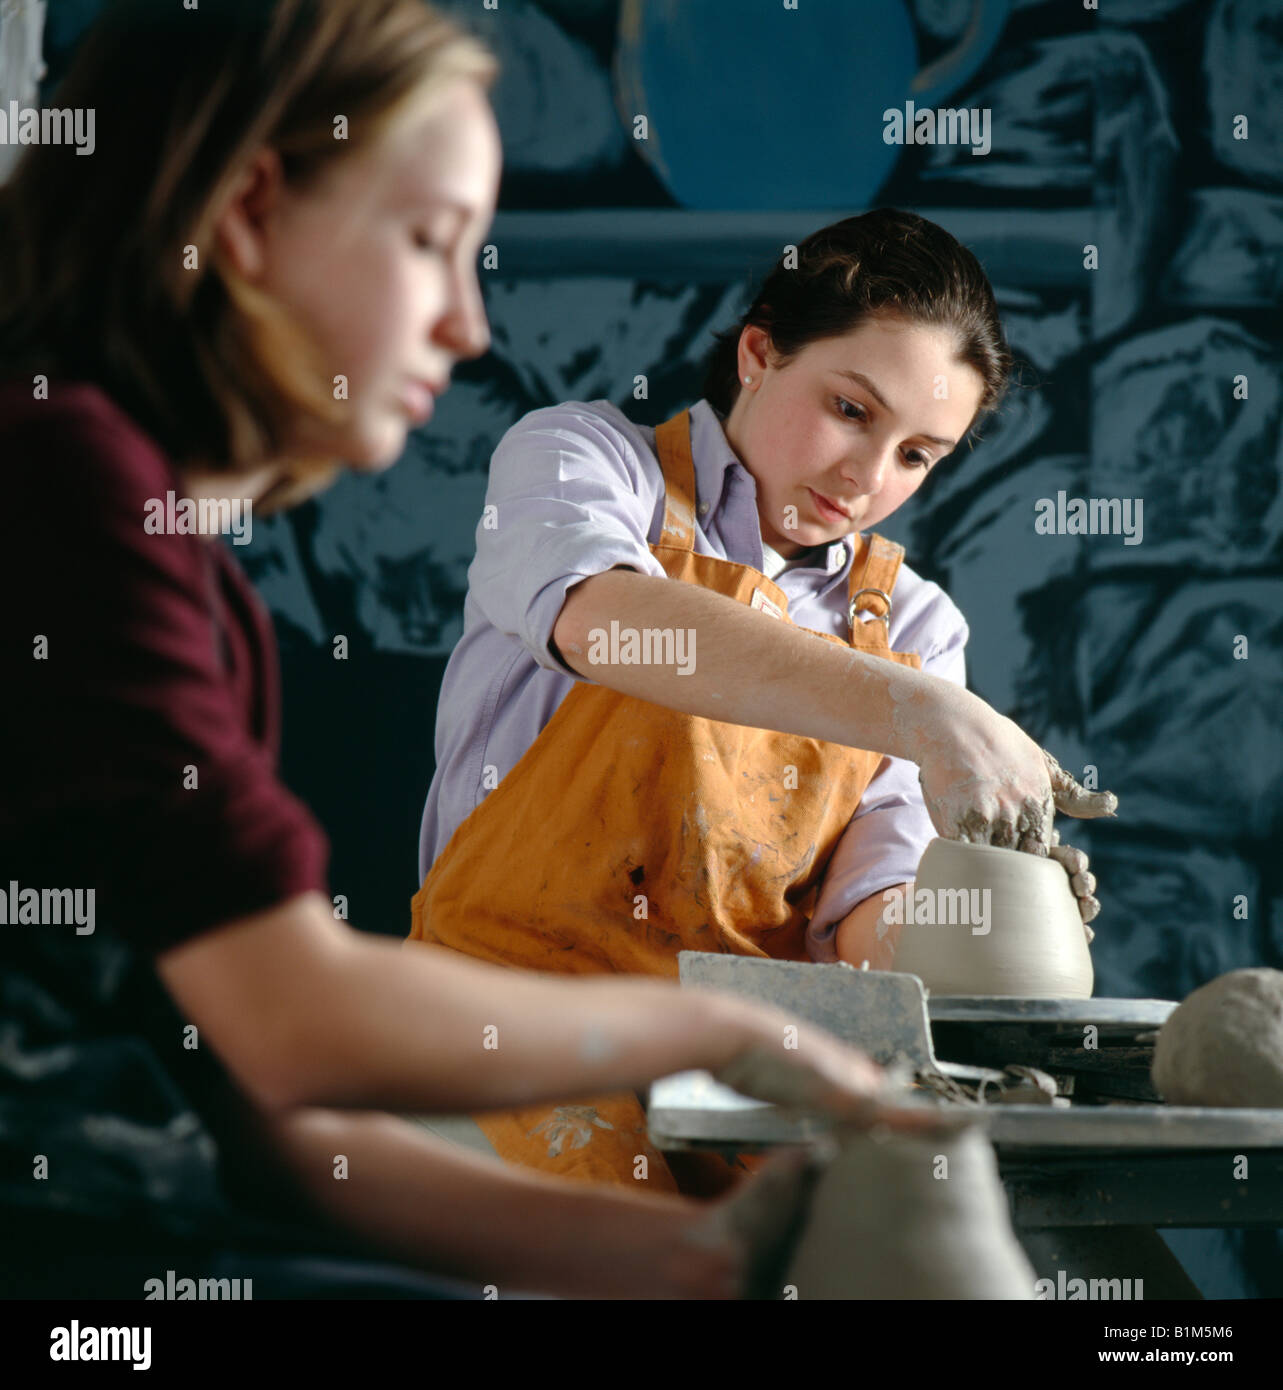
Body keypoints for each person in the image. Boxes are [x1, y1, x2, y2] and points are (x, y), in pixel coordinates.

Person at [0, 0, 944, 1301]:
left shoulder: (180, 568)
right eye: (431, 242)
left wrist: (694, 1260)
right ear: (251, 214)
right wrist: (727, 1028)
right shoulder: (60, 479)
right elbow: (293, 1017)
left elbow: (245, 1109)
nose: (467, 327)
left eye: (917, 452)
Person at [411, 209, 1118, 1189]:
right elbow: (600, 622)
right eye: (850, 409)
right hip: (507, 1020)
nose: (866, 477)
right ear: (758, 352)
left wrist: (978, 907)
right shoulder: (582, 463)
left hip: (748, 1054)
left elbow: (859, 924)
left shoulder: (912, 626)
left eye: (917, 454)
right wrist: (926, 716)